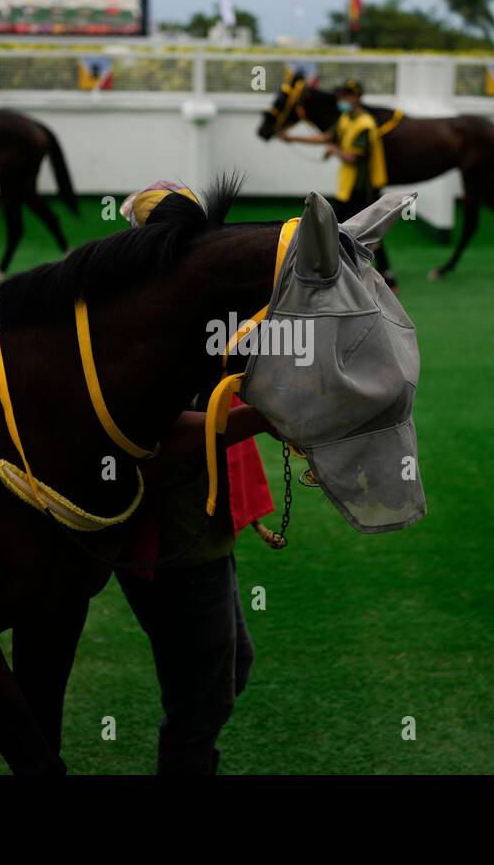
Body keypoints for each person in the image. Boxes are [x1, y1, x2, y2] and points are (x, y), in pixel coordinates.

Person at [112, 184, 283, 774]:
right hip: (169, 542)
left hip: (199, 530)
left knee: (228, 669)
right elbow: (153, 438)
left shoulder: (179, 304)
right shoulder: (141, 326)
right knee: (203, 695)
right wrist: (263, 417)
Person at [277, 79, 398, 289]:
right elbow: (327, 137)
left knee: (361, 230)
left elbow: (352, 157)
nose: (342, 100)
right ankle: (347, 270)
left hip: (362, 188)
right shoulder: (346, 118)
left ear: (357, 97)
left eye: (346, 96)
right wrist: (293, 138)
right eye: (340, 95)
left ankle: (384, 275)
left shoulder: (365, 125)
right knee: (341, 228)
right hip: (348, 186)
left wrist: (334, 151)